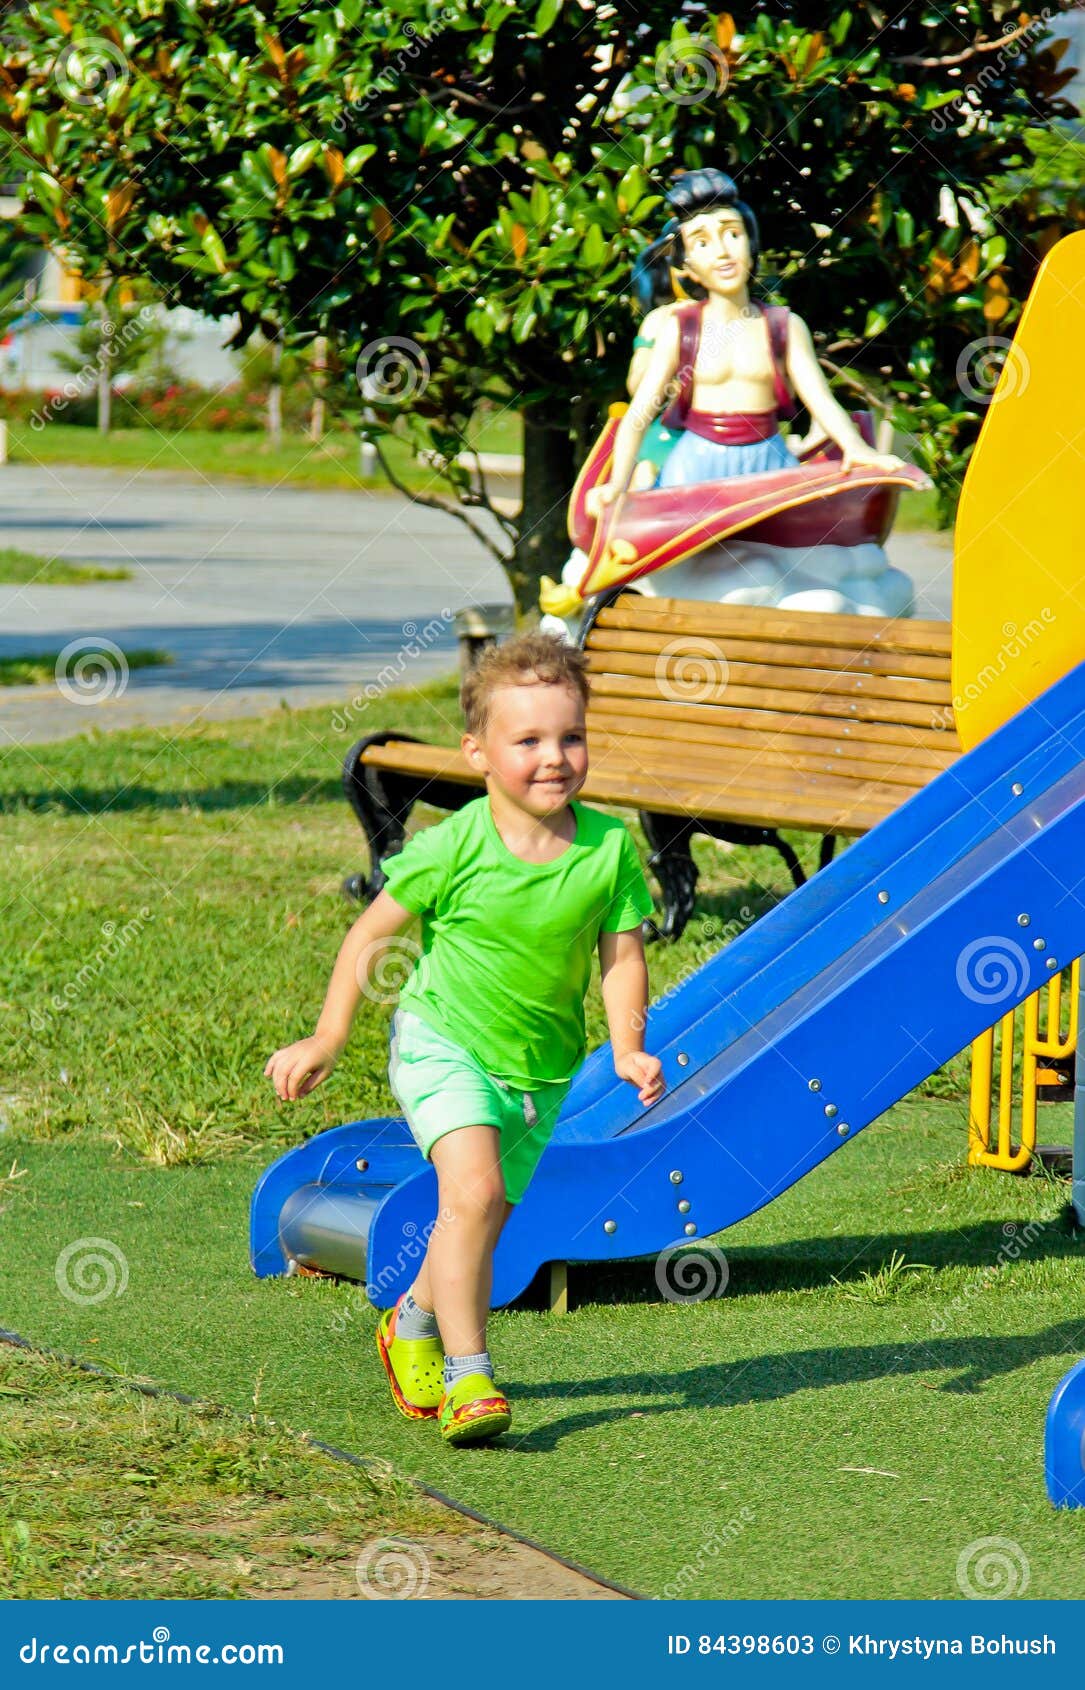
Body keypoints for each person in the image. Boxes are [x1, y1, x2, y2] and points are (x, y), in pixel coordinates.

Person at [264, 632, 666, 1446]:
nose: (553, 758)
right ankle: (469, 1375)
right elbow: (369, 937)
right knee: (471, 1196)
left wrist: (626, 1047)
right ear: (477, 752)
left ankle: (410, 1320)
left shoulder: (608, 849)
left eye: (570, 736)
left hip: (541, 1072)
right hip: (441, 1042)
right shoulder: (455, 846)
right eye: (527, 741)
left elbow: (620, 957)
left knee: (478, 1220)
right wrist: (326, 1037)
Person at [589, 166, 908, 516]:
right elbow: (640, 412)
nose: (723, 252)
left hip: (768, 462)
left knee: (784, 553)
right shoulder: (679, 328)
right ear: (688, 265)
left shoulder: (784, 326)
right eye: (702, 242)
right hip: (695, 465)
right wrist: (617, 483)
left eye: (732, 234)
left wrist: (855, 447)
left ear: (751, 244)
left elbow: (820, 399)